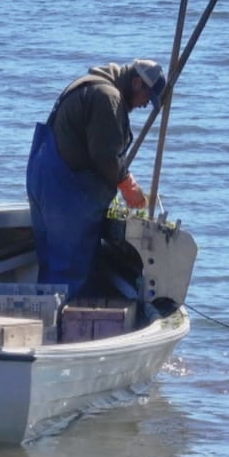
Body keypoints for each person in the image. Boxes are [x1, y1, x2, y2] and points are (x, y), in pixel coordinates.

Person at [26, 58, 167, 299]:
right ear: (136, 83)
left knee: (52, 263)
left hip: (45, 180)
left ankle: (48, 314)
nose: (145, 104)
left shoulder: (92, 85)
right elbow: (104, 155)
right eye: (147, 97)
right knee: (69, 270)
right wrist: (127, 185)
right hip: (65, 191)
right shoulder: (107, 97)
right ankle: (63, 320)